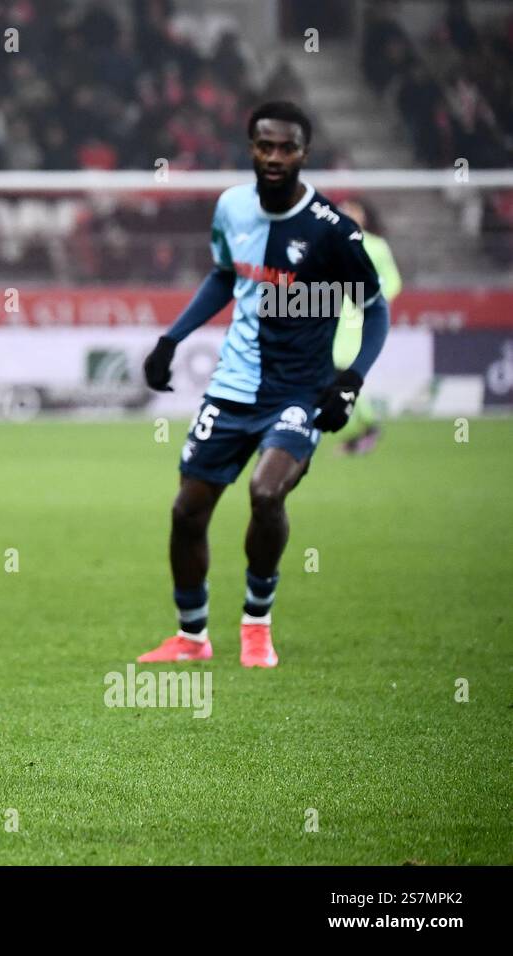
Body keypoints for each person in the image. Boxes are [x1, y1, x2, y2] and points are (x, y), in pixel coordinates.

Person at [137, 102, 389, 668]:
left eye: (287, 148)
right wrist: (172, 339)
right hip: (232, 386)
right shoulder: (231, 207)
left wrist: (351, 379)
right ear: (251, 147)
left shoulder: (332, 231)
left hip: (300, 392)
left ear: (305, 153)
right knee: (186, 511)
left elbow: (376, 310)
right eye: (264, 146)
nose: (274, 158)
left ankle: (256, 624)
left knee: (266, 492)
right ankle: (192, 638)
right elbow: (225, 275)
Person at [332, 198, 401, 454]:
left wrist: (373, 304)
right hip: (333, 316)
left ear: (363, 216)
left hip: (357, 318)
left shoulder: (376, 246)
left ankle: (369, 425)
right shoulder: (331, 246)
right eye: (343, 211)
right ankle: (365, 426)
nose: (347, 215)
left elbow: (393, 281)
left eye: (352, 211)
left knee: (343, 367)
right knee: (338, 373)